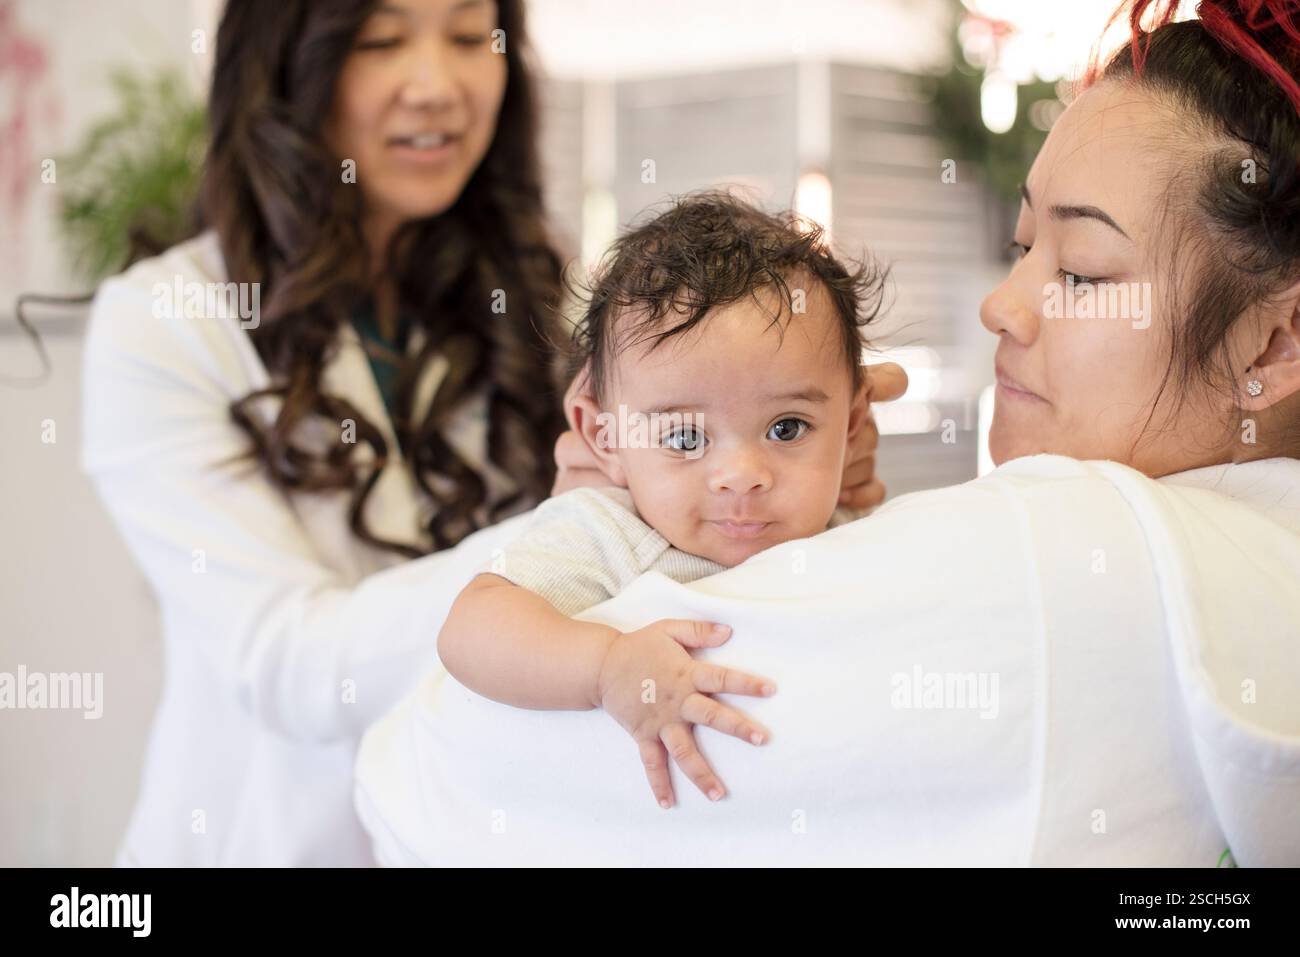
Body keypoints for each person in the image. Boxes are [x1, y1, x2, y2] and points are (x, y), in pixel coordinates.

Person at [354, 0, 1300, 866]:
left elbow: (421, 773)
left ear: (1275, 337)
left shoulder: (1070, 551)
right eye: (1022, 248)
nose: (1000, 304)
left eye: (1084, 270)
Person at [79, 0, 890, 866]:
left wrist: (795, 482)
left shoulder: (534, 292)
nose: (439, 86)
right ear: (281, 69)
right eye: (382, 40)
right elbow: (290, 663)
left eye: (471, 37)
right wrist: (584, 523)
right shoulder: (165, 321)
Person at [439, 193, 884, 809]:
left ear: (854, 422)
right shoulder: (605, 530)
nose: (741, 475)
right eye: (684, 437)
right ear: (605, 437)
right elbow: (471, 631)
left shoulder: (854, 529)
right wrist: (604, 667)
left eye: (787, 428)